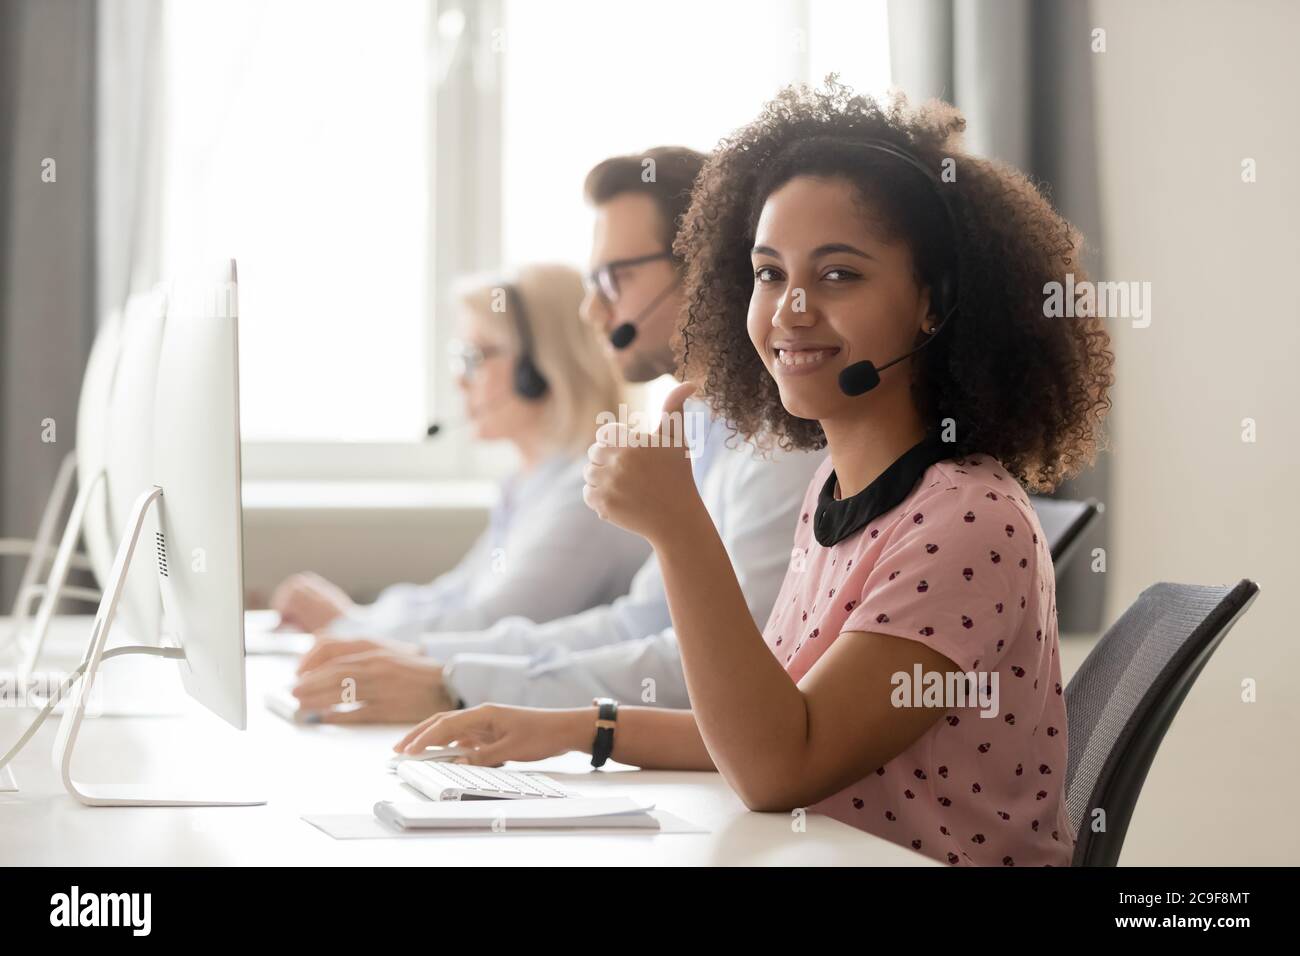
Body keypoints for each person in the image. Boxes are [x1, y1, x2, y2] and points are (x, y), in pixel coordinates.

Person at [391, 83, 1114, 867]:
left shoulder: (965, 521)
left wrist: (676, 523)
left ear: (932, 304)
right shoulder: (833, 494)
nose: (791, 308)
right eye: (770, 273)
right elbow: (776, 719)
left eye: (839, 275)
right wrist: (577, 728)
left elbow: (779, 768)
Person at [288, 146, 825, 722]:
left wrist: (455, 684)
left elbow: (718, 675)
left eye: (613, 279)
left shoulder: (783, 444)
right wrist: (433, 665)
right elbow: (639, 622)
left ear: (704, 272)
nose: (592, 312)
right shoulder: (703, 424)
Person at [271, 264, 650, 647]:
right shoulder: (530, 484)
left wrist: (346, 628)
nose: (459, 379)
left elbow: (490, 625)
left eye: (475, 356)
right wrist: (355, 619)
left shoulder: (590, 492)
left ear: (536, 370)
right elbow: (452, 596)